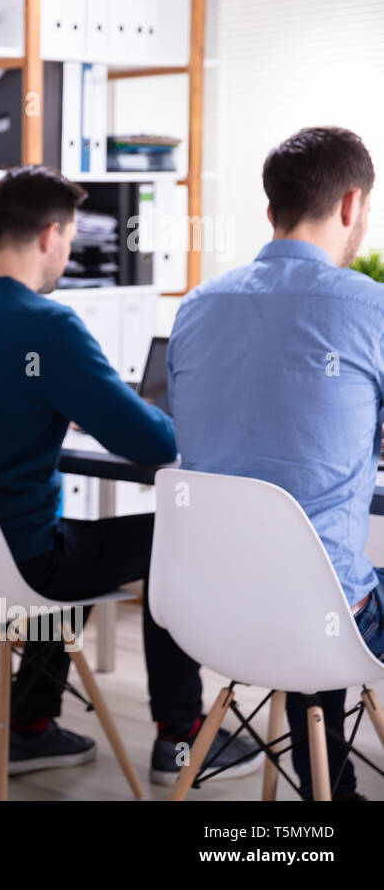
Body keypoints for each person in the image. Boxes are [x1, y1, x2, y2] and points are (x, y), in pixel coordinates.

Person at [0, 165, 261, 784]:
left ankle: (32, 726)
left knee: (75, 535)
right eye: (70, 239)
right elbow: (148, 440)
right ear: (52, 236)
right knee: (168, 533)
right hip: (26, 565)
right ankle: (180, 736)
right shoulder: (48, 325)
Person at [168, 125, 383, 800]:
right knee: (334, 576)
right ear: (352, 205)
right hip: (320, 619)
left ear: (271, 212)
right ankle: (330, 779)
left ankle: (330, 779)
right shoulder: (369, 308)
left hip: (209, 613)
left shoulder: (196, 307)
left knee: (316, 569)